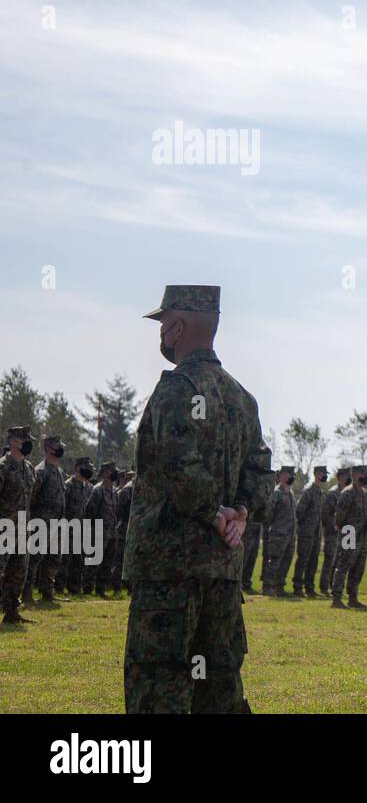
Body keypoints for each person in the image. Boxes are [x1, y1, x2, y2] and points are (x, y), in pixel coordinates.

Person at [123, 284, 272, 713]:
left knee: (159, 682)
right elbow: (261, 470)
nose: (162, 336)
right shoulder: (241, 398)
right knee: (219, 685)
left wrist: (214, 513)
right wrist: (240, 514)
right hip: (222, 572)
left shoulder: (176, 388)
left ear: (177, 327)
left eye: (164, 325)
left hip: (170, 570)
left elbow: (177, 466)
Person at [24, 434, 67, 605]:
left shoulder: (60, 471)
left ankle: (47, 592)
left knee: (54, 558)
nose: (61, 448)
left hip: (57, 522)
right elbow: (32, 497)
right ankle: (26, 592)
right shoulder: (41, 471)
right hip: (41, 522)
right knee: (35, 557)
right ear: (49, 448)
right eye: (58, 445)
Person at [0, 426, 37, 623]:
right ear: (13, 441)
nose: (28, 443)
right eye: (25, 440)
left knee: (18, 571)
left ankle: (11, 612)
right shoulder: (3, 467)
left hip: (23, 529)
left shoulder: (29, 468)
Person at [332, 463, 367, 609]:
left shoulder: (364, 493)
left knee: (359, 567)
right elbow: (340, 515)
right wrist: (342, 528)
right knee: (344, 564)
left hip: (362, 535)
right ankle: (336, 598)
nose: (366, 477)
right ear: (355, 475)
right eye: (363, 474)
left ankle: (353, 597)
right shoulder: (347, 493)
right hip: (349, 532)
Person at [57, 457, 94, 595]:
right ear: (78, 468)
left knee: (78, 561)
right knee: (65, 560)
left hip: (82, 529)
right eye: (86, 467)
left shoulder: (89, 487)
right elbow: (63, 507)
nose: (89, 470)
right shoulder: (69, 485)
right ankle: (59, 587)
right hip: (68, 528)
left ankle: (74, 588)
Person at [85, 462, 119, 597]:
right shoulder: (97, 490)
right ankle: (88, 588)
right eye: (112, 470)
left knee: (108, 562)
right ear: (105, 473)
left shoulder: (114, 491)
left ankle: (101, 589)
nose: (114, 473)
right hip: (99, 530)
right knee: (94, 560)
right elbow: (90, 510)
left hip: (111, 531)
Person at [262, 467, 297, 596]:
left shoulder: (290, 493)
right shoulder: (277, 492)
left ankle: (279, 587)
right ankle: (267, 587)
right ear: (282, 475)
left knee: (286, 561)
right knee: (275, 561)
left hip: (290, 534)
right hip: (279, 533)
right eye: (289, 474)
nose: (291, 476)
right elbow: (269, 513)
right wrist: (275, 527)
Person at [292, 465, 326, 597]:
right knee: (303, 559)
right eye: (323, 473)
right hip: (306, 532)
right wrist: (304, 528)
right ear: (317, 474)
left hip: (316, 533)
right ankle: (297, 587)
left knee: (313, 560)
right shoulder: (309, 491)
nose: (324, 476)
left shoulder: (320, 492)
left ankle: (309, 587)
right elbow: (300, 511)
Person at [319, 466, 348, 597]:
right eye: (346, 476)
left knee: (341, 561)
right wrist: (334, 525)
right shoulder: (333, 493)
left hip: (346, 533)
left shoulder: (348, 493)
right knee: (329, 560)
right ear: (340, 478)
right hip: (333, 533)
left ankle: (335, 587)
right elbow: (325, 513)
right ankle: (324, 587)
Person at [111, 470, 135, 594]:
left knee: (132, 559)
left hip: (134, 528)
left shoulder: (137, 488)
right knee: (120, 559)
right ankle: (117, 587)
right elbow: (119, 511)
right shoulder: (128, 489)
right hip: (125, 528)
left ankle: (130, 587)